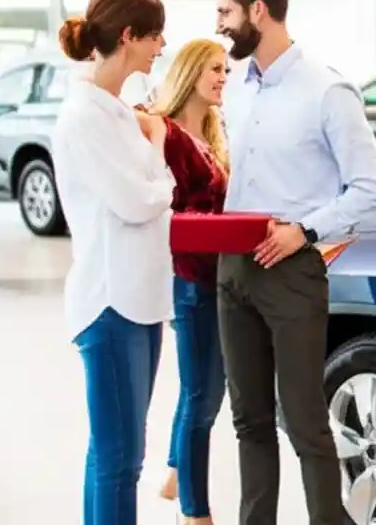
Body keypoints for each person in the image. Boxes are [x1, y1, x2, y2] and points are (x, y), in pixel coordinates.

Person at [213, 0, 376, 524]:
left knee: (307, 423)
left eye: (226, 10)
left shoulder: (327, 89)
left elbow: (372, 189)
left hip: (291, 271)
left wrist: (305, 232)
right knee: (249, 422)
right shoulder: (237, 87)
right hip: (232, 267)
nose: (218, 23)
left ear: (257, 11)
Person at [51, 0, 174, 524]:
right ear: (128, 36)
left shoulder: (118, 112)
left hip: (141, 299)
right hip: (110, 302)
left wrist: (156, 176)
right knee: (120, 460)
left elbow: (151, 188)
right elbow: (137, 200)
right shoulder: (84, 116)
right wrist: (160, 168)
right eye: (154, 36)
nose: (161, 46)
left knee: (115, 454)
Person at [142, 38, 231, 525]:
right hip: (188, 277)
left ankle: (177, 472)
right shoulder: (168, 132)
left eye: (226, 71)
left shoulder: (214, 132)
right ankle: (195, 512)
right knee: (203, 395)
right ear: (191, 72)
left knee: (201, 390)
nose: (223, 78)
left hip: (217, 274)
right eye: (215, 69)